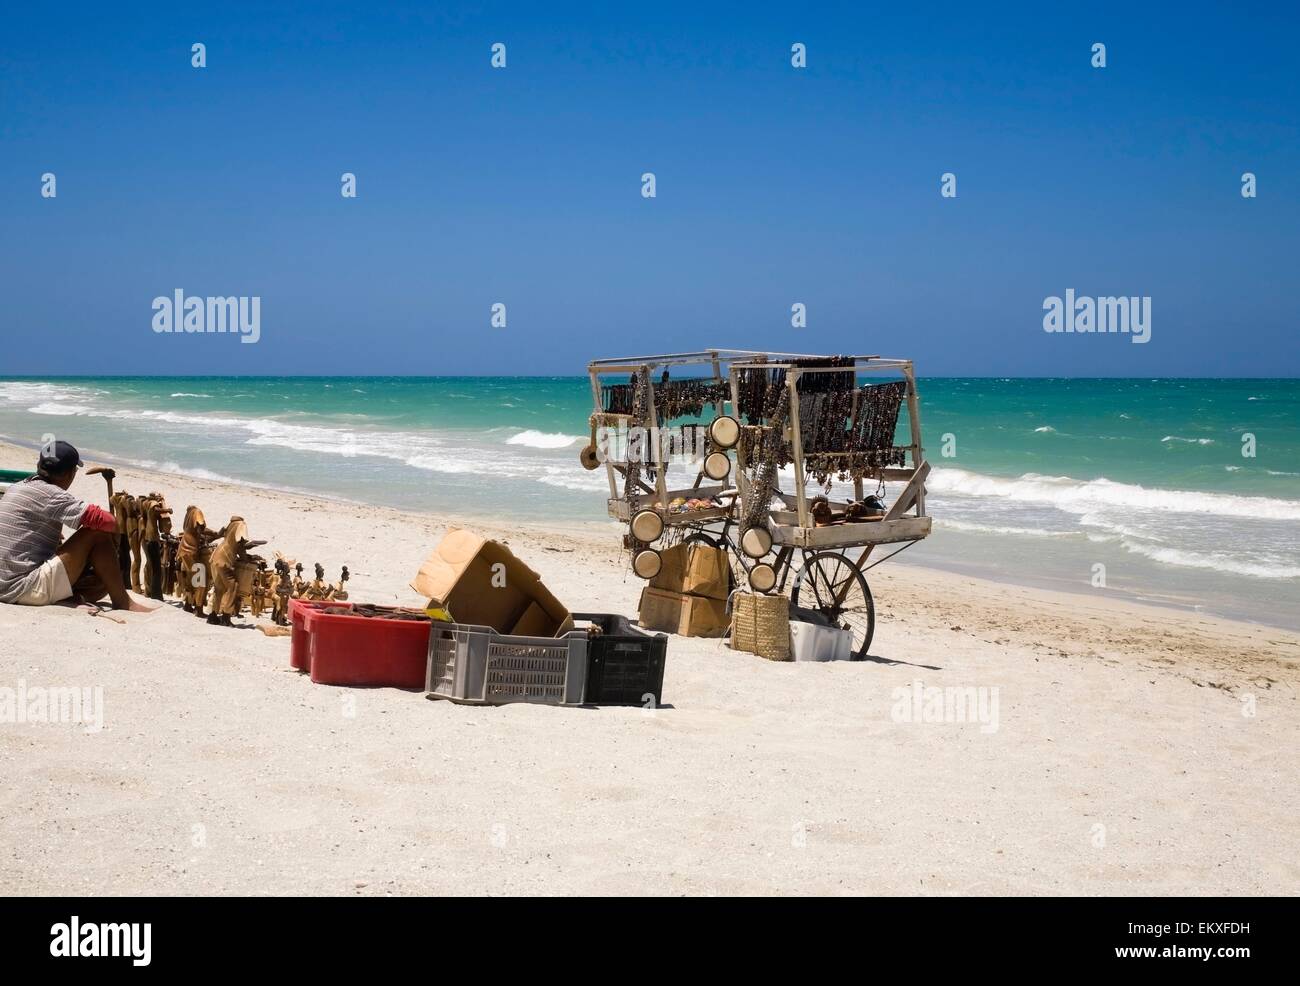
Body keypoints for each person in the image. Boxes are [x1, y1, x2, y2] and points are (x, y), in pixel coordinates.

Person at [0, 441, 152, 611]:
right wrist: (115, 543)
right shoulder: (52, 495)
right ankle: (124, 602)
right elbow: (108, 521)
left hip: (4, 584)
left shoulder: (18, 487)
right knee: (96, 534)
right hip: (21, 587)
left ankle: (74, 595)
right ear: (69, 474)